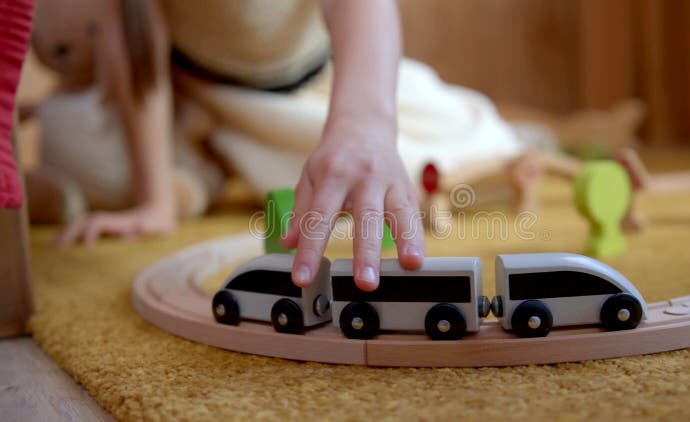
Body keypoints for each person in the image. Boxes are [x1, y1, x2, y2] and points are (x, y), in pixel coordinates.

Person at [48, 0, 426, 292]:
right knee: (70, 136)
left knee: (419, 156)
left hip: (308, 98)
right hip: (193, 96)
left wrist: (362, 126)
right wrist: (154, 201)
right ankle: (198, 169)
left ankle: (204, 168)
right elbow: (136, 35)